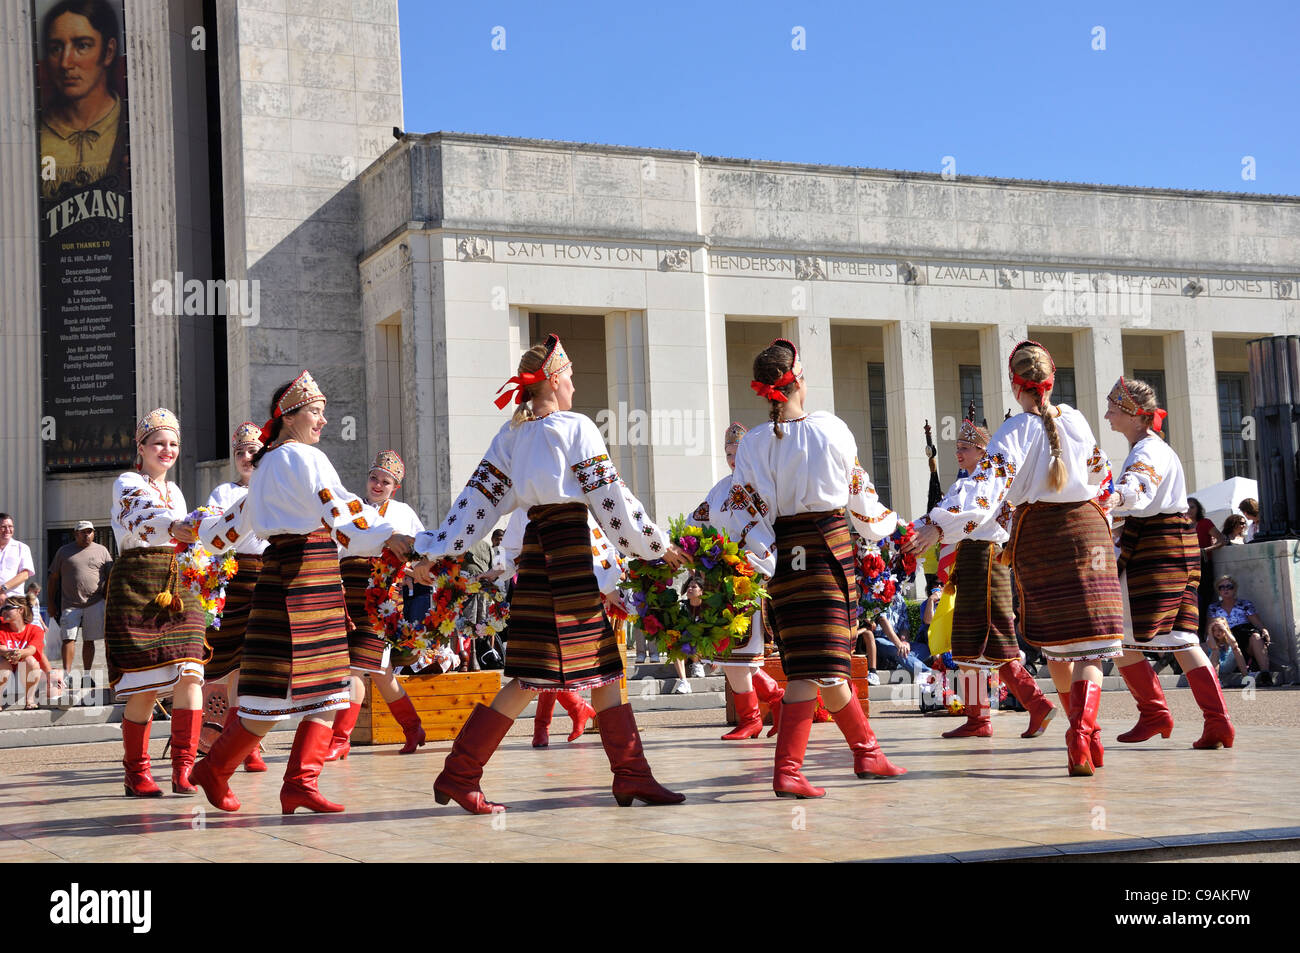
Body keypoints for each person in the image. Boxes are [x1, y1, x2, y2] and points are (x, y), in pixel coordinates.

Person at [409, 333, 688, 814]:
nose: (575, 386)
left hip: (540, 557)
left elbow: (475, 505)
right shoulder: (575, 427)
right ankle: (461, 774)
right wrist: (655, 547)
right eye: (572, 377)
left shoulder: (511, 435)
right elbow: (611, 498)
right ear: (555, 380)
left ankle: (629, 776)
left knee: (592, 671)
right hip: (567, 555)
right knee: (537, 676)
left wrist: (436, 548)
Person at [189, 372, 411, 814]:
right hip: (309, 576)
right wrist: (389, 534)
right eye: (316, 411)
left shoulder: (265, 465)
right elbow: (344, 517)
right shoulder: (307, 459)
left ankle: (281, 780)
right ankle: (246, 774)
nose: (324, 421)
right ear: (290, 416)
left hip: (278, 578)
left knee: (282, 694)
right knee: (327, 688)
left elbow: (223, 533)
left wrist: (185, 528)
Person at [906, 340, 1123, 776]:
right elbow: (1101, 472)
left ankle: (1080, 733)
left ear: (1013, 383)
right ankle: (1085, 734)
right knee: (1089, 651)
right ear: (1052, 380)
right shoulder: (1076, 420)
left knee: (1062, 649)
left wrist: (937, 525)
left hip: (1042, 535)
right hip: (1088, 530)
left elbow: (985, 489)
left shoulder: (1014, 432)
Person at [727, 337, 905, 799]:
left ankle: (867, 751)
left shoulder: (752, 444)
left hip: (785, 556)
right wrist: (893, 527)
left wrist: (761, 556)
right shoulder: (831, 430)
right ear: (799, 381)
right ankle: (789, 769)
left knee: (824, 665)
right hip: (828, 549)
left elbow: (745, 512)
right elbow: (862, 498)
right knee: (816, 667)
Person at [1104, 376, 1235, 750]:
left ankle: (1155, 712)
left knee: (1117, 635)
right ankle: (1216, 722)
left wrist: (1110, 502)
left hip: (1156, 550)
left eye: (1114, 408)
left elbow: (1137, 490)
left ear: (1133, 413)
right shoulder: (1150, 447)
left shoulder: (1149, 452)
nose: (1107, 415)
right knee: (1181, 637)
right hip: (1167, 546)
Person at [926, 419, 1057, 740]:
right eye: (957, 448)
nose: (958, 453)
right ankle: (977, 719)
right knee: (966, 648)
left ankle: (1036, 703)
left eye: (965, 448)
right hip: (971, 562)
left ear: (984, 451)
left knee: (995, 643)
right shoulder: (969, 485)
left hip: (987, 561)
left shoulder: (993, 486)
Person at [106, 409, 212, 797]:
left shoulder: (178, 490)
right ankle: (136, 772)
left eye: (173, 444)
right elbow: (141, 514)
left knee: (191, 671)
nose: (166, 450)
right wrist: (176, 526)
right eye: (159, 443)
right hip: (138, 582)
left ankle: (185, 769)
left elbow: (185, 531)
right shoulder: (127, 481)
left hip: (179, 581)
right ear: (142, 447)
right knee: (146, 684)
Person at [686, 421, 788, 738]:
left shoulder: (761, 488)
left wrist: (758, 563)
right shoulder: (719, 490)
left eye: (739, 453)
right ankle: (773, 703)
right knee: (729, 654)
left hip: (747, 577)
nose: (733, 459)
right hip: (719, 579)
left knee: (739, 653)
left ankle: (754, 717)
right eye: (729, 453)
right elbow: (694, 522)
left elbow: (770, 533)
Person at [328, 450, 429, 760]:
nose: (377, 485)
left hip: (382, 598)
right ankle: (413, 728)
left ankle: (340, 739)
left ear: (394, 487)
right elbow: (336, 548)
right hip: (350, 595)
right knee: (382, 673)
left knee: (355, 666)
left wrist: (410, 569)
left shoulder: (402, 512)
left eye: (385, 482)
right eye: (374, 478)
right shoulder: (352, 509)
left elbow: (419, 550)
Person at [491, 506, 609, 747]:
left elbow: (599, 543)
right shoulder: (523, 509)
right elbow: (507, 548)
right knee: (542, 666)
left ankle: (548, 725)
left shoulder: (575, 503)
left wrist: (611, 584)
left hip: (574, 594)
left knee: (553, 666)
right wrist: (495, 571)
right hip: (535, 594)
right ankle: (575, 710)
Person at [199, 423, 271, 772]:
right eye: (240, 452)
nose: (246, 457)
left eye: (253, 451)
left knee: (254, 664)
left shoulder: (274, 489)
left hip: (266, 576)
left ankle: (248, 745)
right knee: (225, 661)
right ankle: (216, 737)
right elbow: (211, 534)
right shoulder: (223, 492)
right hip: (230, 579)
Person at [38, 0, 128, 199]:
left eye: (82, 46)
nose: (66, 62)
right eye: (56, 48)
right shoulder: (36, 133)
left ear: (108, 52)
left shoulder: (129, 125)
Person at [47, 520, 111, 691]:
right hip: (70, 603)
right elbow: (53, 578)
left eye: (89, 531)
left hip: (95, 602)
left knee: (89, 640)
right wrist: (51, 602)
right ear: (75, 534)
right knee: (69, 638)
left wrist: (108, 598)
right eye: (82, 532)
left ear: (94, 533)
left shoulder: (102, 551)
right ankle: (67, 675)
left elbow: (110, 576)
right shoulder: (63, 551)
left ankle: (87, 675)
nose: (86, 535)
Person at [1207, 575, 1274, 687]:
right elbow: (1210, 630)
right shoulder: (1213, 608)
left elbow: (1258, 624)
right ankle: (1215, 677)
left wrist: (1264, 631)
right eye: (1221, 587)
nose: (1225, 589)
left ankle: (1265, 675)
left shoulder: (1244, 604)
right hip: (1225, 641)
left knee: (1256, 637)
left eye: (1229, 586)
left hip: (1244, 639)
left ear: (1235, 589)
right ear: (1218, 591)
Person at [1, 596, 52, 710]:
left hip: (23, 680)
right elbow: (1, 648)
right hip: (4, 679)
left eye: (8, 608)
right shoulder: (1, 627)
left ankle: (30, 700)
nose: (3, 611)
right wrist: (10, 652)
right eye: (2, 608)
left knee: (30, 659)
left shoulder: (35, 630)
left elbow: (32, 650)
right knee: (2, 661)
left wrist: (19, 653)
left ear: (20, 610)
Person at [869, 589, 932, 679]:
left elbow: (903, 626)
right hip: (880, 639)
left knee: (925, 648)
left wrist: (904, 642)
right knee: (900, 652)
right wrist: (899, 644)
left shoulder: (899, 598)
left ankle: (899, 664)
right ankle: (927, 673)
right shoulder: (876, 594)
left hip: (897, 640)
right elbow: (882, 620)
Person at [1188, 496, 1225, 634]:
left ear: (1198, 508)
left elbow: (1222, 540)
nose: (1189, 510)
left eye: (1192, 507)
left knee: (1204, 600)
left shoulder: (1205, 523)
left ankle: (1205, 634)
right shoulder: (1182, 525)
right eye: (1187, 507)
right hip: (1186, 566)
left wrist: (1204, 551)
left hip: (1203, 565)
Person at [0, 514, 36, 601]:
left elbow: (24, 574)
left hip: (14, 602)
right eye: (3, 527)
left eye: (10, 526)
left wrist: (2, 589)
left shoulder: (22, 548)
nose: (7, 530)